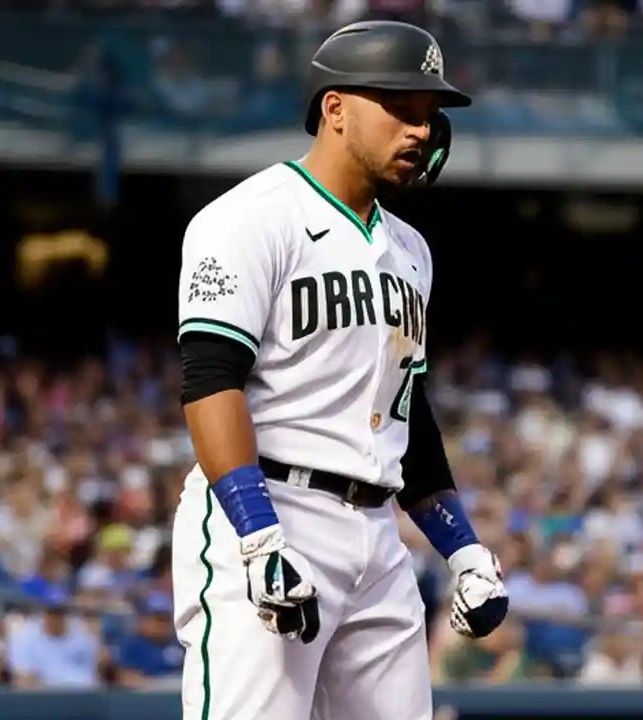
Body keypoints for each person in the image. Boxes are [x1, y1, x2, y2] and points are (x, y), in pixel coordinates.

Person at [171, 21, 508, 720]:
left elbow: (404, 409)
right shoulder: (246, 219)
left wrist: (464, 549)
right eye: (401, 109)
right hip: (268, 507)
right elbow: (210, 382)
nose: (421, 130)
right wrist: (258, 536)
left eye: (428, 115)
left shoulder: (412, 251)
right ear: (335, 108)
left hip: (377, 532)